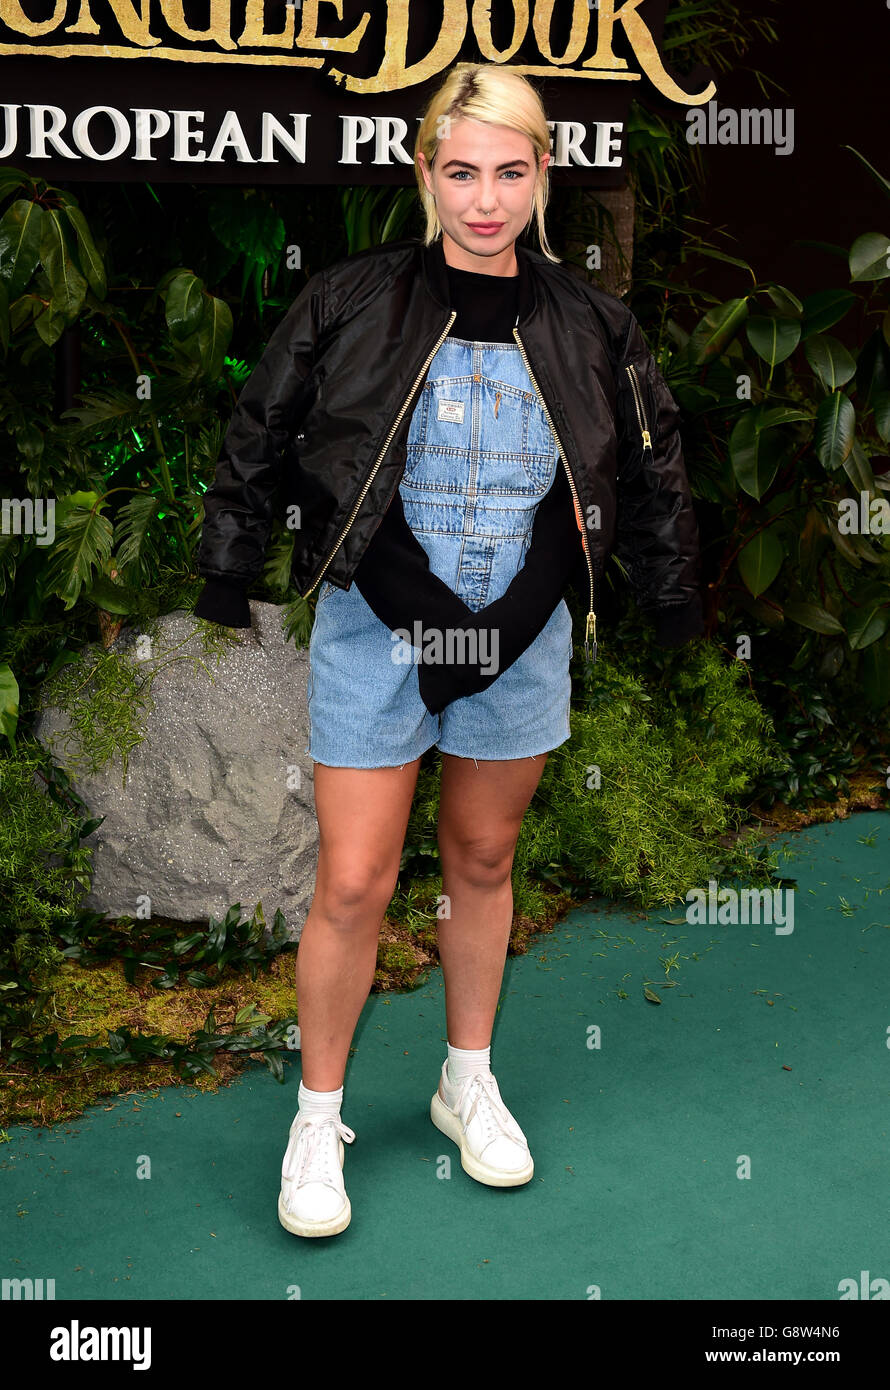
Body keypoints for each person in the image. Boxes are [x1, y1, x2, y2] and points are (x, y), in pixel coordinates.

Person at [193, 62, 704, 1239]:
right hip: (377, 625)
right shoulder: (347, 298)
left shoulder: (590, 321)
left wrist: (612, 607)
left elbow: (636, 470)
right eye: (460, 171)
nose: (484, 199)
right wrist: (234, 572)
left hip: (523, 632)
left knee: (481, 860)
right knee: (355, 879)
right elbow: (271, 435)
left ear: (541, 176)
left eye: (509, 172)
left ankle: (463, 1078)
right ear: (423, 173)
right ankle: (317, 1115)